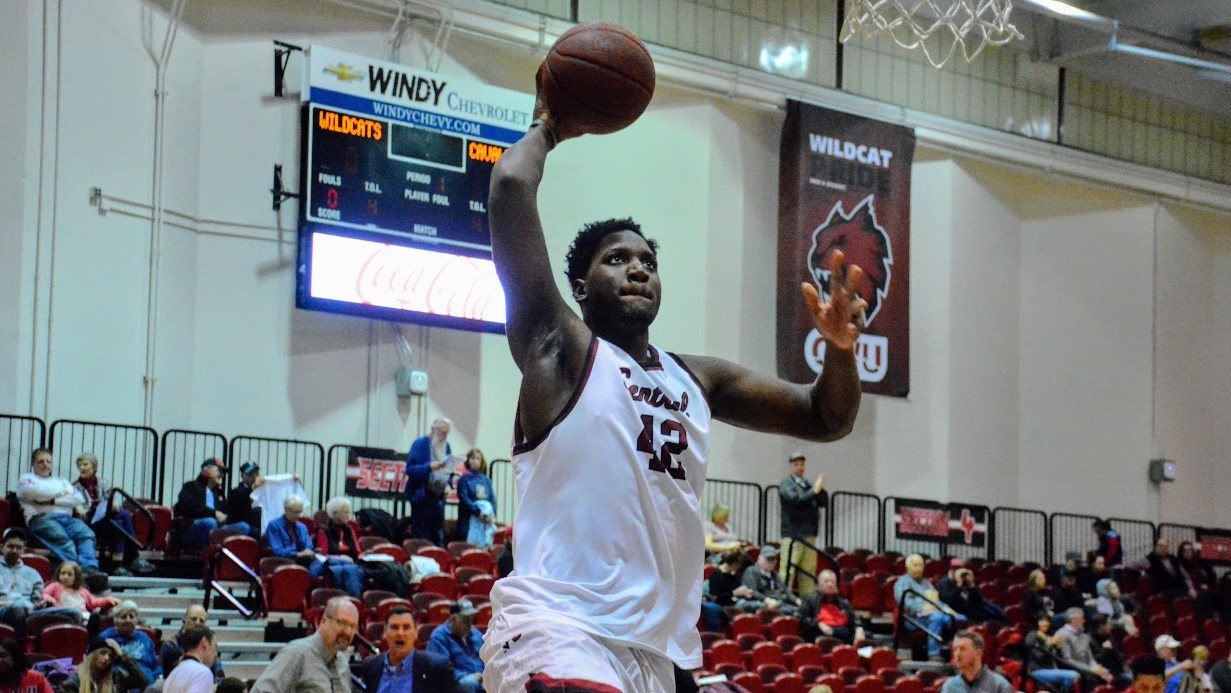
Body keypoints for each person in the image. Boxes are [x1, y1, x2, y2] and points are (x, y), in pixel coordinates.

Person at [479, 87, 864, 691]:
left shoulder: (699, 379)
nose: (637, 268)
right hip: (561, 632)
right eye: (616, 259)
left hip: (660, 651)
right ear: (580, 286)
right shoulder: (560, 349)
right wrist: (550, 125)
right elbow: (508, 189)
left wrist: (842, 353)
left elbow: (826, 418)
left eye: (647, 262)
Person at [250, 597, 357, 693]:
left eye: (353, 626)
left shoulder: (342, 663)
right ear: (323, 621)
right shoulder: (297, 653)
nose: (347, 632)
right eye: (341, 623)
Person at [17, 448, 100, 573]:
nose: (45, 464)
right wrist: (64, 492)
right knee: (63, 540)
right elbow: (37, 493)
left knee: (87, 535)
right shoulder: (26, 479)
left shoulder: (61, 481)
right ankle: (77, 573)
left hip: (67, 518)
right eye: (40, 461)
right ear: (33, 464)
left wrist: (52, 500)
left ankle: (90, 568)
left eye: (48, 461)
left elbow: (78, 499)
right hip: (41, 519)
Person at [73, 453, 154, 576]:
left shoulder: (104, 482)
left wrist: (114, 505)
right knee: (121, 519)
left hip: (107, 518)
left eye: (85, 464)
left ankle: (118, 564)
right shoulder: (74, 487)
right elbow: (80, 512)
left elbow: (114, 500)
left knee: (121, 519)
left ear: (94, 467)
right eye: (79, 465)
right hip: (89, 521)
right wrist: (93, 509)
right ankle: (131, 558)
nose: (82, 468)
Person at [0, 529, 85, 637]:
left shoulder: (33, 574)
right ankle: (21, 647)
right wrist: (8, 604)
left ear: (24, 549)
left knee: (73, 612)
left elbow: (36, 601)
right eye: (10, 546)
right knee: (17, 608)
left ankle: (73, 649)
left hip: (30, 611)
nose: (14, 550)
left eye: (18, 547)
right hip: (4, 610)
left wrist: (40, 604)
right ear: (2, 547)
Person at [362, 605, 460, 692]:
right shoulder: (371, 666)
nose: (400, 633)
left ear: (416, 633)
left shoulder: (436, 667)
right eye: (394, 627)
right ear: (384, 633)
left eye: (406, 627)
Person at [895, 554, 964, 661]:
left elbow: (936, 601)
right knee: (936, 618)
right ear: (907, 567)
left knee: (959, 618)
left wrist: (948, 610)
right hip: (913, 619)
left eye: (921, 565)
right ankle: (934, 654)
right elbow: (906, 604)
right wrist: (923, 608)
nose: (919, 568)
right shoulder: (902, 583)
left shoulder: (926, 583)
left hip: (932, 613)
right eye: (915, 565)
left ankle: (957, 652)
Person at [173, 459, 250, 552]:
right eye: (219, 471)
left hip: (216, 528)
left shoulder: (218, 493)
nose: (222, 475)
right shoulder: (190, 487)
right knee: (210, 522)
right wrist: (214, 513)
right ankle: (210, 552)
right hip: (192, 527)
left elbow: (226, 512)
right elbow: (190, 506)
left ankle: (229, 556)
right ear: (206, 471)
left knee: (244, 526)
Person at [778, 454, 827, 595]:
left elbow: (823, 502)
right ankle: (783, 599)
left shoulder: (808, 484)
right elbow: (796, 500)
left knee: (808, 571)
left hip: (809, 533)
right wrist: (814, 491)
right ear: (790, 467)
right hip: (793, 534)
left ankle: (808, 601)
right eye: (796, 464)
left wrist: (820, 488)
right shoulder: (786, 484)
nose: (800, 467)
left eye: (802, 464)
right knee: (788, 570)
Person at [404, 418, 454, 545]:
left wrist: (448, 485)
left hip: (439, 499)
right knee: (422, 539)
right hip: (422, 498)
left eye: (447, 433)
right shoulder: (420, 444)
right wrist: (430, 467)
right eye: (442, 432)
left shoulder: (446, 447)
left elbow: (448, 471)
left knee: (438, 538)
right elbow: (410, 469)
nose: (444, 436)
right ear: (433, 430)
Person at [98, 601, 161, 688]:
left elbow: (154, 664)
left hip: (149, 685)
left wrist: (159, 677)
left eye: (131, 617)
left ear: (136, 620)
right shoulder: (105, 638)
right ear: (115, 620)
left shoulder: (144, 638)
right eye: (123, 617)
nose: (128, 620)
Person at [313, 497, 366, 598]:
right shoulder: (324, 531)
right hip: (333, 563)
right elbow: (323, 555)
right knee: (347, 570)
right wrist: (341, 558)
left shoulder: (349, 530)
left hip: (351, 563)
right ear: (335, 513)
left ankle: (354, 601)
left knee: (352, 569)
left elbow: (357, 551)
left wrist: (364, 555)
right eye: (345, 512)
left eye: (349, 513)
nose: (348, 516)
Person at [428, 600, 485, 693]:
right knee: (469, 682)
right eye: (465, 620)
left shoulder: (476, 634)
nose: (469, 625)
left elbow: (486, 660)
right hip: (455, 685)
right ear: (452, 619)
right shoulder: (439, 637)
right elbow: (440, 670)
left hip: (481, 679)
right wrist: (473, 676)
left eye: (471, 619)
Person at [158, 606, 224, 683]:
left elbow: (219, 676)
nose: (197, 623)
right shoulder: (171, 645)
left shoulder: (208, 647)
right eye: (194, 619)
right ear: (184, 621)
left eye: (201, 621)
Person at [41, 560, 119, 624]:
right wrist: (49, 599)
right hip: (64, 614)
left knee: (93, 617)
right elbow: (44, 593)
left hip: (83, 615)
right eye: (63, 573)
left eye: (69, 574)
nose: (65, 577)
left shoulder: (82, 590)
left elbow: (93, 602)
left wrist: (107, 600)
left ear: (76, 577)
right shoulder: (55, 585)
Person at [798, 569, 864, 643]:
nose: (830, 584)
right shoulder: (810, 600)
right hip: (820, 634)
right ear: (819, 584)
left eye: (833, 582)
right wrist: (818, 624)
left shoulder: (843, 602)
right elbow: (802, 618)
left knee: (870, 638)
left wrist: (859, 628)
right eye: (826, 581)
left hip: (843, 633)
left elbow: (854, 619)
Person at [59, 638, 148, 693]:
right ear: (91, 655)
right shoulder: (73, 682)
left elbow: (142, 681)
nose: (106, 658)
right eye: (102, 653)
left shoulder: (116, 676)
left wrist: (122, 656)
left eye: (110, 656)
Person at [1056, 608, 1114, 689]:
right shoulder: (1061, 634)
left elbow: (1089, 656)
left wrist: (1096, 667)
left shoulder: (1081, 632)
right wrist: (1091, 669)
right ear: (1073, 620)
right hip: (1075, 671)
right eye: (1082, 619)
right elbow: (1068, 660)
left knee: (1108, 675)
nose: (1084, 621)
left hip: (1087, 668)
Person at [940, 630, 1013, 693]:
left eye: (962, 649)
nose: (957, 654)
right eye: (955, 649)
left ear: (979, 653)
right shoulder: (950, 686)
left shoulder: (1000, 685)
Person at [1025, 614, 1081, 692]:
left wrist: (1059, 647)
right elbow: (1039, 657)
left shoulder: (1050, 636)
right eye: (1042, 621)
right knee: (1073, 675)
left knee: (1079, 673)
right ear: (1037, 623)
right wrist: (1052, 645)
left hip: (1053, 669)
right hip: (1037, 670)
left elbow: (1060, 658)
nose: (1045, 623)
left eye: (1047, 621)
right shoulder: (1033, 635)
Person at [740, 546, 801, 616]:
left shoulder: (774, 574)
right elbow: (752, 591)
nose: (773, 562)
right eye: (769, 559)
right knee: (785, 611)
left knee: (801, 611)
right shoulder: (751, 571)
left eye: (774, 559)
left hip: (780, 601)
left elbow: (785, 590)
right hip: (763, 603)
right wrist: (767, 600)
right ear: (759, 559)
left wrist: (796, 600)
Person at [938, 561, 1005, 623]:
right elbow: (949, 600)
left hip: (972, 607)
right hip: (958, 610)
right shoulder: (944, 583)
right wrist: (959, 586)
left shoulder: (965, 581)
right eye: (955, 570)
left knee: (998, 612)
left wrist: (971, 586)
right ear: (950, 571)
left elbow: (977, 599)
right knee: (984, 616)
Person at [456, 450, 496, 548]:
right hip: (468, 521)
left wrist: (492, 514)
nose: (475, 461)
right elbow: (464, 499)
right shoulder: (463, 480)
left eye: (478, 458)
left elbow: (492, 498)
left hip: (485, 521)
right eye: (472, 458)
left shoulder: (486, 480)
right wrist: (478, 512)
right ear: (468, 461)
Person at [162, 626, 216, 693]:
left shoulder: (173, 674)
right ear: (204, 642)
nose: (215, 653)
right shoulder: (202, 673)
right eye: (214, 647)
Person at [226, 462, 264, 539]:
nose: (254, 477)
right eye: (250, 474)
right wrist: (252, 488)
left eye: (256, 474)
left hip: (256, 526)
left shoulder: (263, 491)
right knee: (244, 527)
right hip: (239, 525)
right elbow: (240, 501)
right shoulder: (236, 491)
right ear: (242, 476)